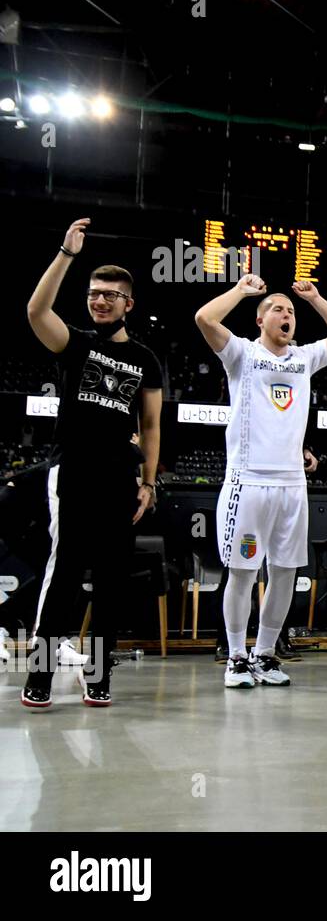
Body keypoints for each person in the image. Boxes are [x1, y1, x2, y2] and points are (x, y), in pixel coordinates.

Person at [21, 218, 163, 710]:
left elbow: (151, 427)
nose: (99, 300)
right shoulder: (74, 342)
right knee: (63, 572)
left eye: (110, 294)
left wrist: (149, 482)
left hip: (121, 478)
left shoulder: (146, 357)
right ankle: (38, 674)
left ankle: (98, 676)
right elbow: (37, 309)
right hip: (74, 471)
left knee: (111, 580)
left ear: (129, 303)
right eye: (93, 293)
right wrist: (66, 253)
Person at [195, 274, 327, 689]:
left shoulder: (304, 357)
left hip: (291, 486)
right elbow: (204, 318)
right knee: (243, 573)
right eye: (277, 309)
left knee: (285, 573)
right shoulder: (241, 354)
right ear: (260, 319)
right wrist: (242, 291)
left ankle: (265, 654)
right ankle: (236, 656)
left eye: (290, 311)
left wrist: (317, 298)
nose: (286, 315)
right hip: (248, 482)